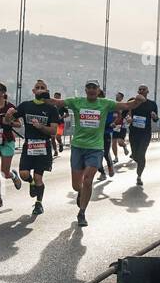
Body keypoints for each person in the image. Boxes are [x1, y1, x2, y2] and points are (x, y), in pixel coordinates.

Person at [58, 80, 144, 226]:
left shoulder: (105, 103)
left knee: (88, 180)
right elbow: (57, 102)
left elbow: (128, 106)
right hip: (78, 147)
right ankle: (81, 192)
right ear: (85, 90)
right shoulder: (76, 102)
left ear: (98, 90)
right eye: (89, 87)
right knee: (76, 185)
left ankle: (82, 212)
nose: (91, 90)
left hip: (96, 148)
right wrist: (42, 97)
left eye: (94, 87)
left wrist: (139, 100)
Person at [11, 79, 61, 217]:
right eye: (37, 87)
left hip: (43, 147)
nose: (40, 89)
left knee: (39, 178)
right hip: (29, 145)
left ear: (46, 91)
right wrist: (9, 115)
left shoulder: (52, 109)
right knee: (24, 174)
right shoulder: (26, 106)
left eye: (42, 87)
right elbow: (11, 119)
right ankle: (30, 182)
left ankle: (39, 204)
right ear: (33, 91)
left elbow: (53, 131)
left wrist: (41, 127)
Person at [127, 85, 160, 187]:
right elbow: (125, 114)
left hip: (145, 133)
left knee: (141, 155)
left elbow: (156, 118)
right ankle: (136, 157)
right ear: (137, 91)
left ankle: (139, 176)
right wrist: (128, 118)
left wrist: (155, 117)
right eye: (140, 89)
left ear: (147, 91)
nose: (141, 91)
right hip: (133, 132)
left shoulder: (152, 104)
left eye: (143, 89)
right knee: (136, 155)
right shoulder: (132, 101)